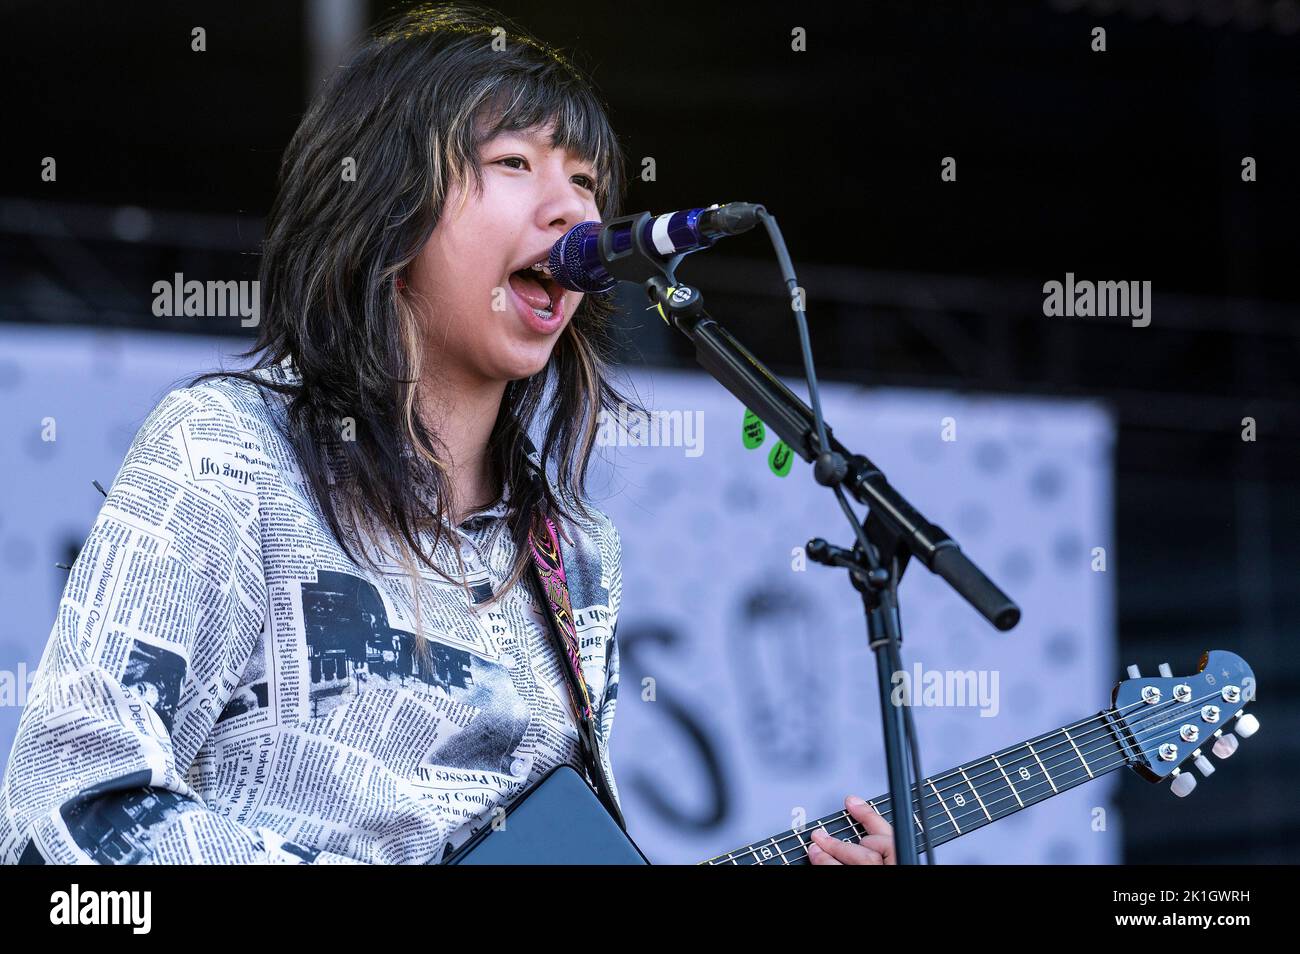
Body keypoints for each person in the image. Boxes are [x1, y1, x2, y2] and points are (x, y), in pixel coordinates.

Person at [0, 2, 893, 866]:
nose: (572, 212)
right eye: (514, 162)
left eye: (585, 182)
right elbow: (65, 814)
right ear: (385, 205)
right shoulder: (226, 455)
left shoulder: (578, 556)